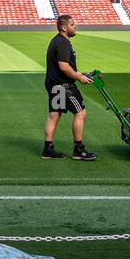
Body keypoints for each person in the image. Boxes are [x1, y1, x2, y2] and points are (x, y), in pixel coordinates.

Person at [42, 14, 97, 160]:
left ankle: (48, 149)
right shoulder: (63, 43)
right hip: (63, 85)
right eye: (73, 24)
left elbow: (68, 66)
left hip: (53, 83)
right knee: (80, 113)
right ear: (64, 27)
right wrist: (79, 78)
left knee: (54, 115)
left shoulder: (57, 41)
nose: (75, 26)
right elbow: (64, 67)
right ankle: (78, 149)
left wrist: (81, 74)